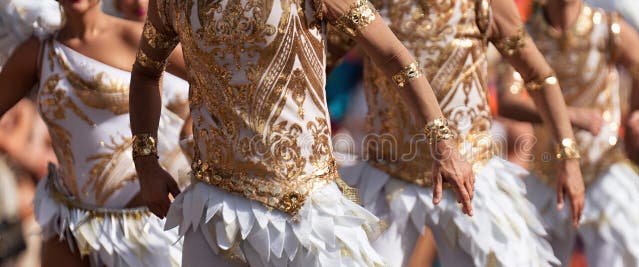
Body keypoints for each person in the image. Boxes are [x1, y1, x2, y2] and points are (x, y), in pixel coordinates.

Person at [128, 0, 478, 266]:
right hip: (215, 211)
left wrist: (443, 144)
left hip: (307, 211)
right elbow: (146, 70)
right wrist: (145, 162)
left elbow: (392, 54)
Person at [329, 0, 587, 264]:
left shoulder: (485, 4)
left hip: (470, 179)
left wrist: (568, 155)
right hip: (387, 174)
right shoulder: (371, 3)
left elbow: (538, 75)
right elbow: (316, 60)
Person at [0, 0, 190, 265]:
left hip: (144, 223)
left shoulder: (136, 36)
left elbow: (215, 83)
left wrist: (193, 137)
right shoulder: (38, 52)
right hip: (70, 225)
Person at [496, 1, 639, 266]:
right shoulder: (525, 34)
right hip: (548, 175)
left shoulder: (611, 29)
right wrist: (570, 115)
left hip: (604, 167)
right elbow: (507, 100)